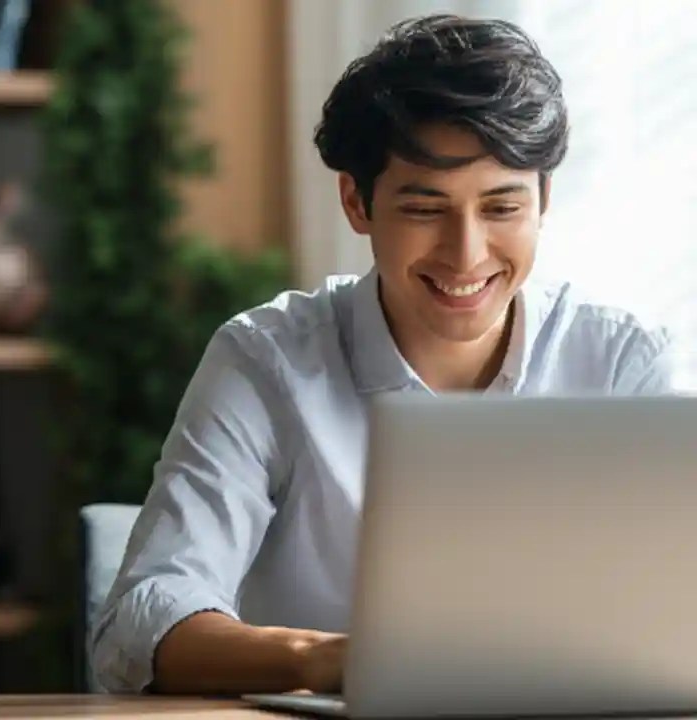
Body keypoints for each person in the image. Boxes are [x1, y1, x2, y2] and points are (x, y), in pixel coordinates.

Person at [90, 14, 674, 696]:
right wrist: (323, 660)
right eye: (426, 209)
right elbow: (139, 624)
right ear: (356, 202)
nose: (466, 254)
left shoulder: (623, 363)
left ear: (544, 198)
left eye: (501, 208)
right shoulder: (265, 359)